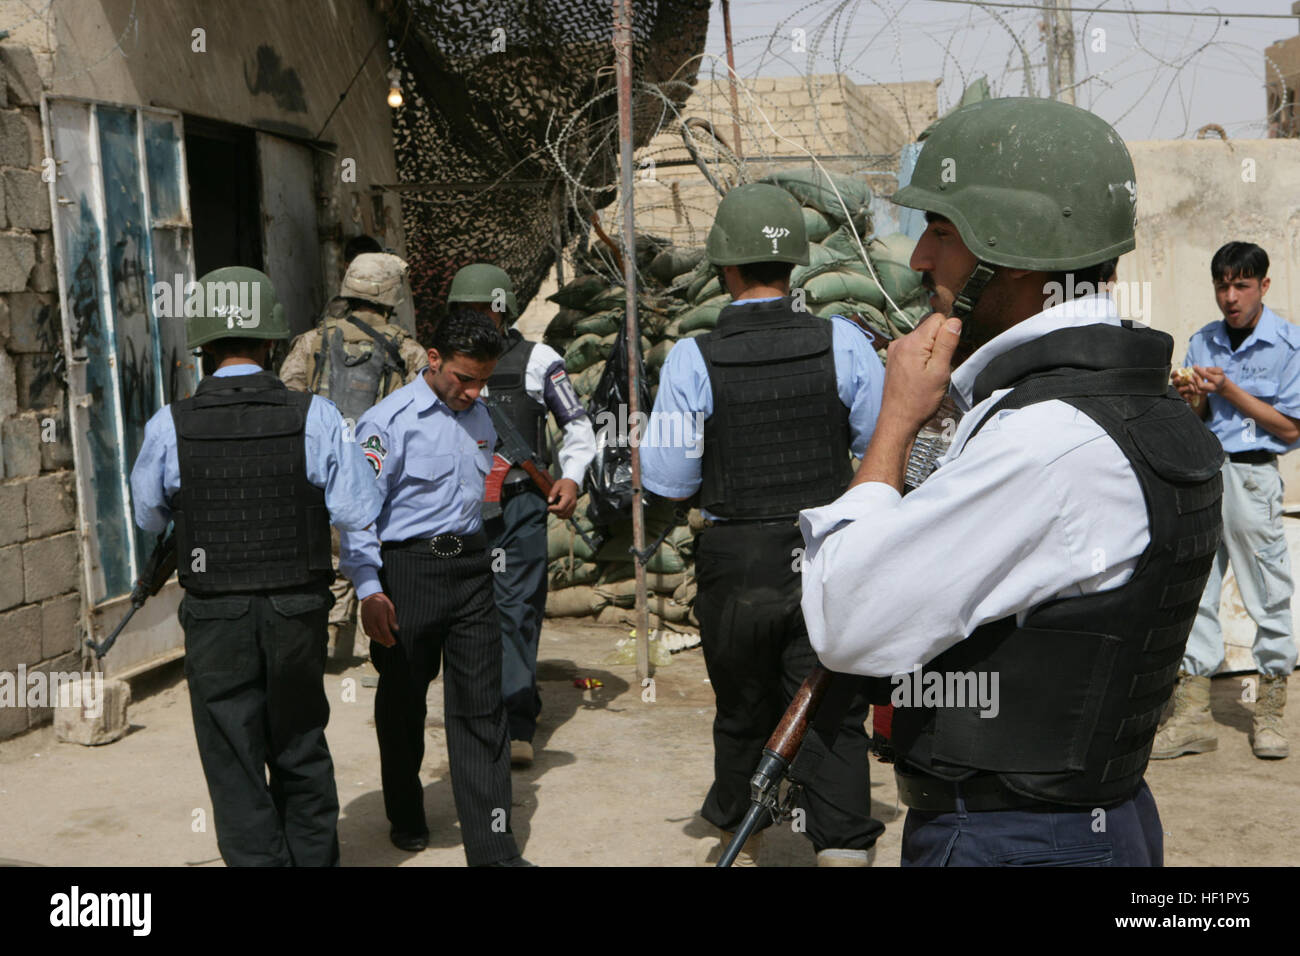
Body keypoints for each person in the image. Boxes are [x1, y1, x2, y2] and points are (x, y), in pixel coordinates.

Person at [799, 97, 1224, 866]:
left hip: (1013, 837)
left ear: (1012, 249)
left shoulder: (1049, 441)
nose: (921, 259)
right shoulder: (1126, 401)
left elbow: (846, 621)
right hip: (1086, 823)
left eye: (942, 231)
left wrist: (894, 424)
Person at [641, 182, 887, 867]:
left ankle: (737, 826)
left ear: (724, 269)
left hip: (736, 565)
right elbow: (880, 450)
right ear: (797, 266)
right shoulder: (844, 341)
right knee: (833, 712)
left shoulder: (693, 358)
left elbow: (668, 480)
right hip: (825, 555)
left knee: (743, 707)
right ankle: (842, 848)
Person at [130, 267, 384, 866]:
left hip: (216, 614)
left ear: (204, 348)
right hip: (297, 608)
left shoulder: (171, 423)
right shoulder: (316, 416)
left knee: (232, 752)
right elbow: (357, 508)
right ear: (272, 344)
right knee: (299, 742)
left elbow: (148, 516)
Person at [339, 308, 532, 865]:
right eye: (462, 378)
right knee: (403, 703)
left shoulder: (481, 416)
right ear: (433, 359)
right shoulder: (387, 422)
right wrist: (371, 589)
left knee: (481, 709)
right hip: (408, 575)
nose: (473, 392)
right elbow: (357, 515)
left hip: (470, 571)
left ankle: (494, 848)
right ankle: (405, 811)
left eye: (482, 380)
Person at [447, 263, 596, 767]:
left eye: (481, 310)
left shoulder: (540, 360)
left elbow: (577, 425)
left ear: (502, 310)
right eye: (462, 312)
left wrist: (571, 478)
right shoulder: (442, 364)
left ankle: (515, 723)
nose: (473, 320)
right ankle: (476, 716)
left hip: (519, 506)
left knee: (516, 612)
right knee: (467, 612)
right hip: (460, 509)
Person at [1158, 241, 1298, 760]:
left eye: (1242, 285)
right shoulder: (1204, 340)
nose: (1230, 296)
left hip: (1254, 477)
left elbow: (1289, 429)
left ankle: (1268, 713)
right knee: (1197, 590)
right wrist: (1192, 397)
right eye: (1222, 285)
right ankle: (1194, 716)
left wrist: (1230, 392)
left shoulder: (1289, 345)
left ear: (1263, 286)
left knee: (1268, 592)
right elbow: (1198, 422)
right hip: (1205, 473)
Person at [280, 252, 427, 659]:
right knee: (372, 561)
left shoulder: (311, 341)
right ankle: (378, 648)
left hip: (319, 473)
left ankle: (327, 646)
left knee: (324, 562)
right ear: (392, 293)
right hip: (378, 479)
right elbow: (422, 417)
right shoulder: (409, 350)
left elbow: (288, 401)